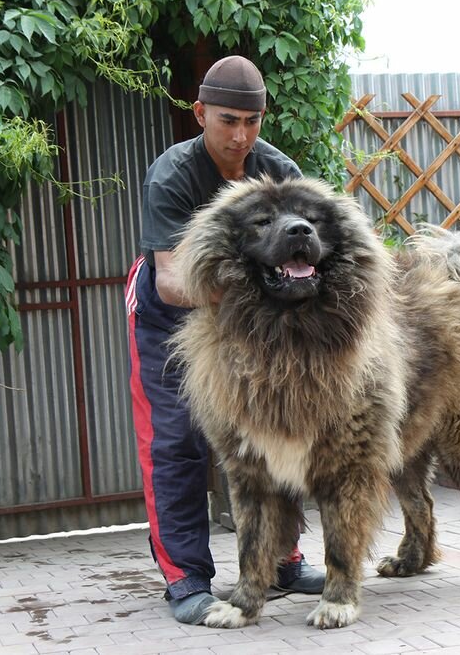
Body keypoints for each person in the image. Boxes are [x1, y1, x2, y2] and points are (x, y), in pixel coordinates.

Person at [125, 55, 325, 626]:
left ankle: (280, 561)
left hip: (250, 320)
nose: (240, 137)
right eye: (227, 121)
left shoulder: (277, 170)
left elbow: (307, 247)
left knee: (273, 431)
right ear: (200, 114)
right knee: (177, 441)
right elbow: (169, 280)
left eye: (252, 122)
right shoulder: (173, 174)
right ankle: (186, 577)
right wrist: (249, 289)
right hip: (169, 319)